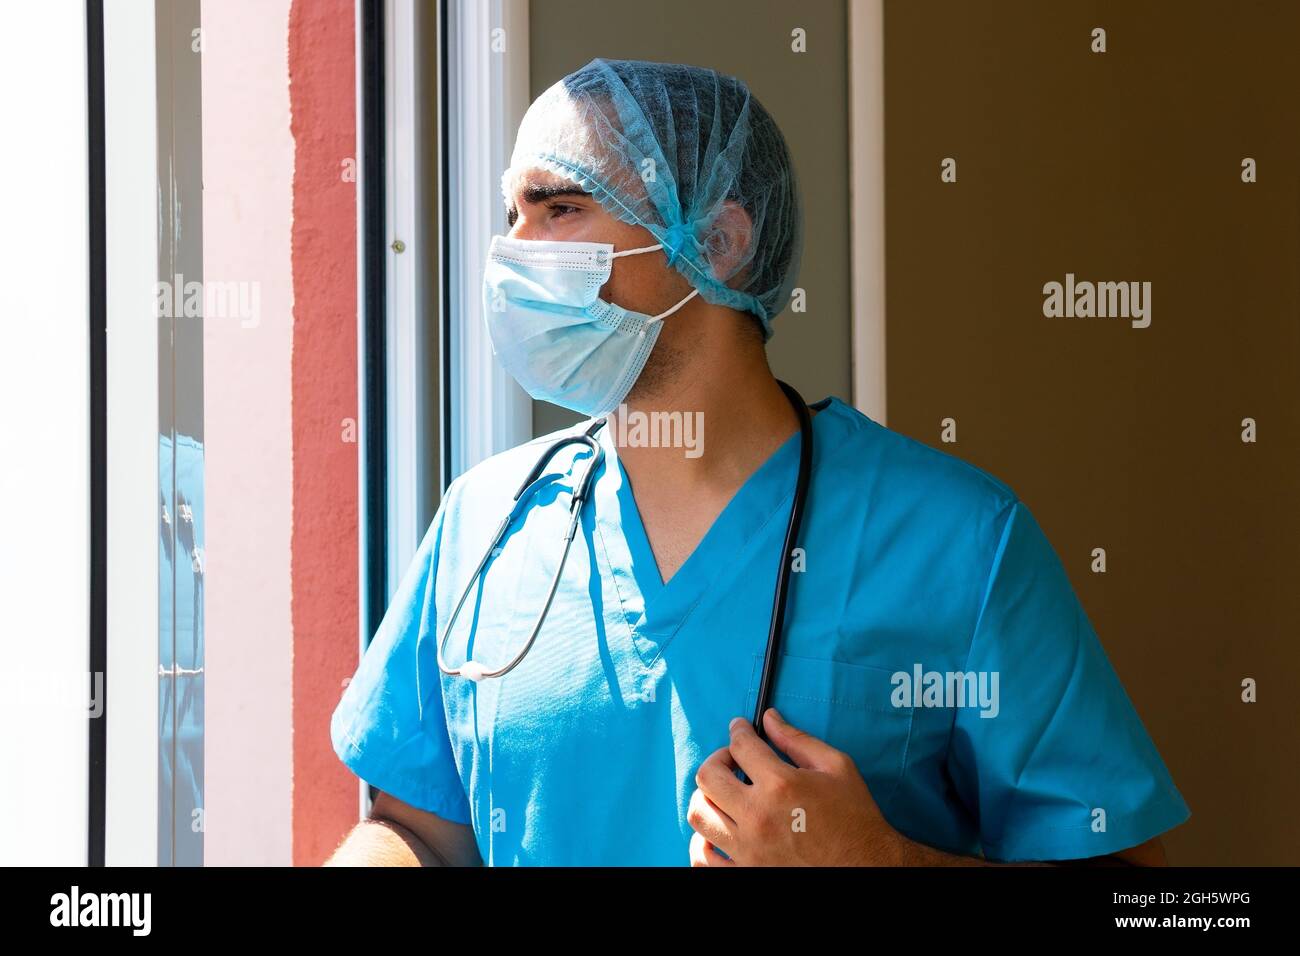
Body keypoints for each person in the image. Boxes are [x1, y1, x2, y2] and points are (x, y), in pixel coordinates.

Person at [325, 57, 1189, 867]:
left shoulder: (958, 541)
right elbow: (414, 829)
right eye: (513, 215)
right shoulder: (485, 520)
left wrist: (883, 864)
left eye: (559, 210)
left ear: (720, 240)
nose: (515, 253)